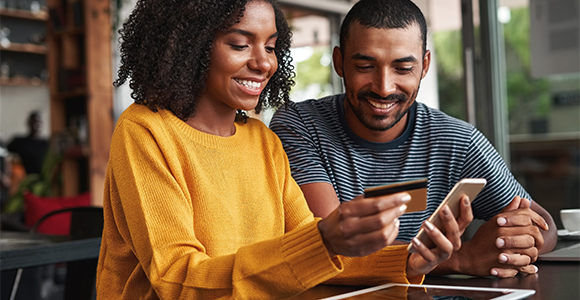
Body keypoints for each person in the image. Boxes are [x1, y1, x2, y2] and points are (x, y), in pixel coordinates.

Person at [96, 0, 471, 299]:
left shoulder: (262, 140)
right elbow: (176, 280)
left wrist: (408, 260)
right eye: (241, 44)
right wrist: (324, 240)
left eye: (272, 47)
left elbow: (310, 254)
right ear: (191, 46)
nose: (263, 63)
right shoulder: (146, 131)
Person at [270, 0, 557, 279]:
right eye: (365, 66)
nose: (384, 88)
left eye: (403, 68)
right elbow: (333, 250)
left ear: (425, 65)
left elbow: (544, 227)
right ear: (339, 63)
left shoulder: (457, 141)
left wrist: (512, 243)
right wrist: (463, 258)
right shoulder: (300, 127)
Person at [6, 111, 49, 175]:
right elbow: (4, 152)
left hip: (43, 179)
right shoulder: (20, 142)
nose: (36, 124)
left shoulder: (47, 144)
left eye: (39, 121)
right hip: (26, 179)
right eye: (34, 121)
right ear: (29, 123)